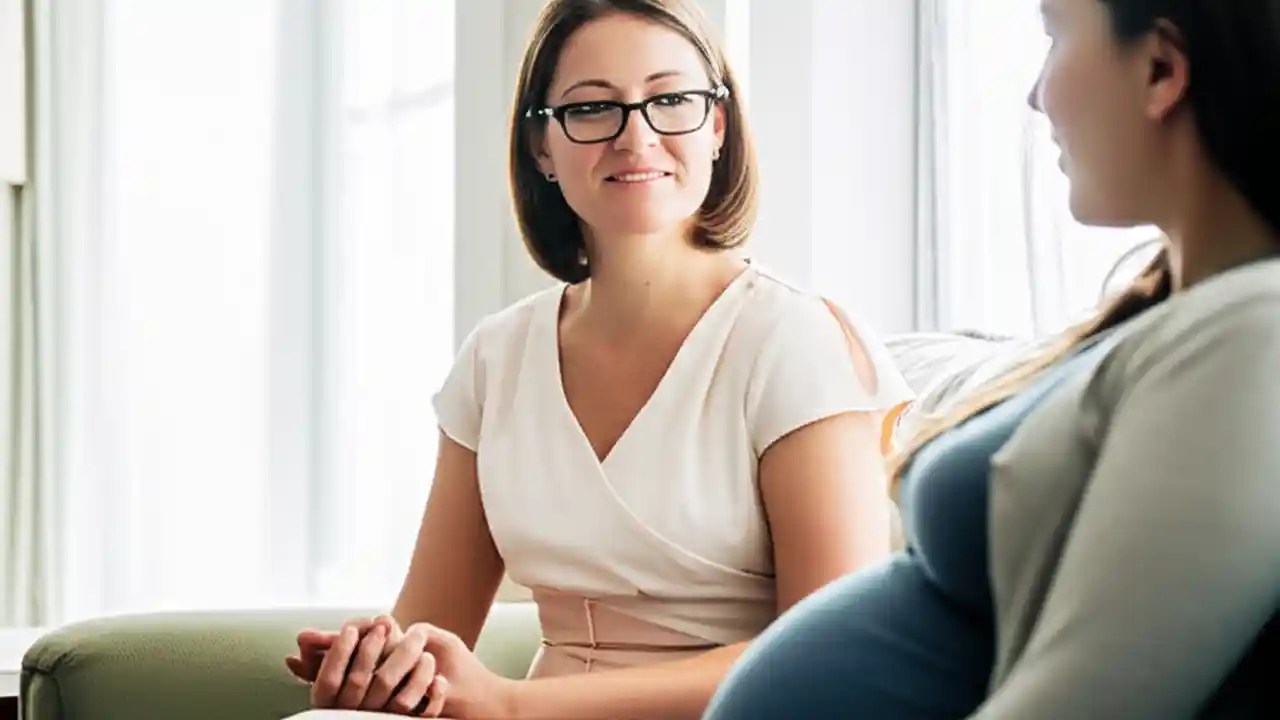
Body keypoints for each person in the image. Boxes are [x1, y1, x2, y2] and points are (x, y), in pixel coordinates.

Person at [283, 0, 914, 718]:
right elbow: (433, 629)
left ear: (716, 126)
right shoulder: (497, 359)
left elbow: (828, 658)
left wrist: (514, 705)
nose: (635, 136)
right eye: (592, 110)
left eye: (671, 99)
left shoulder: (793, 341)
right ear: (542, 149)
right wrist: (377, 668)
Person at [704, 0, 1280, 717]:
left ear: (1161, 70)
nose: (1035, 95)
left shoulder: (1253, 338)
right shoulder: (1174, 320)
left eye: (1055, 38)